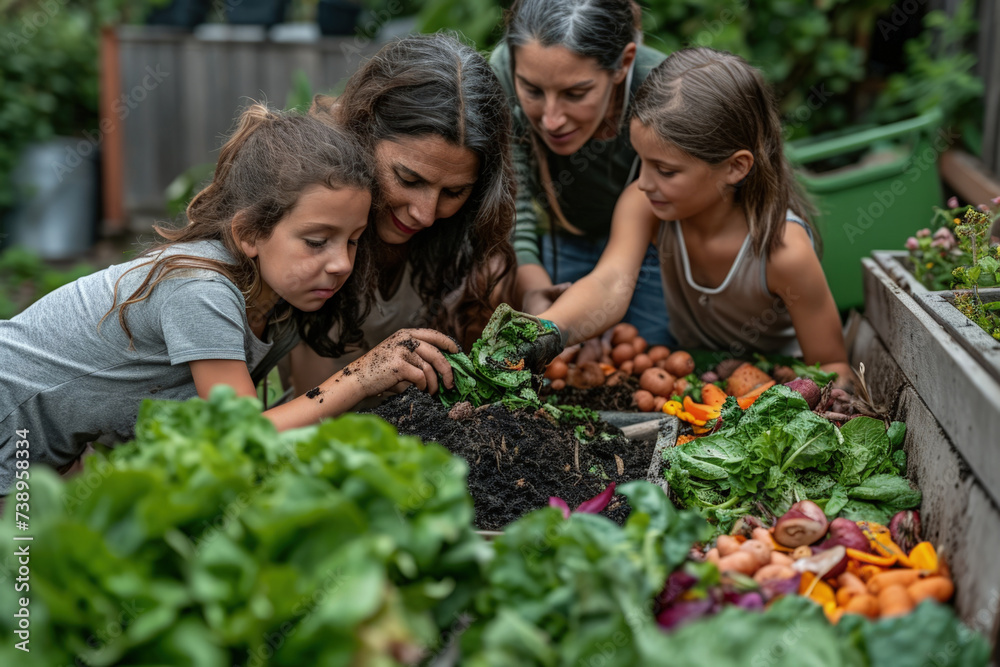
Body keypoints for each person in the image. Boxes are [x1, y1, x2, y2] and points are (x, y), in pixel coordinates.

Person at [0, 104, 457, 497]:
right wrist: (361, 377)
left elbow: (250, 430)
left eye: (353, 241)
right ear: (249, 233)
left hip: (47, 452)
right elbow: (240, 437)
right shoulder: (201, 288)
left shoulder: (279, 303)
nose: (341, 263)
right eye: (318, 241)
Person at [534, 48, 852, 383]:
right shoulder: (644, 205)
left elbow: (832, 366)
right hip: (697, 380)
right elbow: (609, 282)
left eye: (666, 171)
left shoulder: (784, 253)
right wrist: (544, 331)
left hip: (775, 389)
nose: (643, 182)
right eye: (641, 160)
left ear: (735, 167)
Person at [290, 33, 517, 398]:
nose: (425, 215)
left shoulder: (461, 234)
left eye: (454, 192)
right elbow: (314, 403)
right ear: (362, 132)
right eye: (408, 179)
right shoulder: (309, 216)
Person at [491, 0, 674, 347]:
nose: (551, 119)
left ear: (624, 63)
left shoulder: (663, 89)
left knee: (648, 350)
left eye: (575, 93)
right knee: (566, 360)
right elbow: (516, 205)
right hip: (567, 237)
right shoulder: (502, 70)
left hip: (655, 246)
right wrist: (534, 292)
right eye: (532, 91)